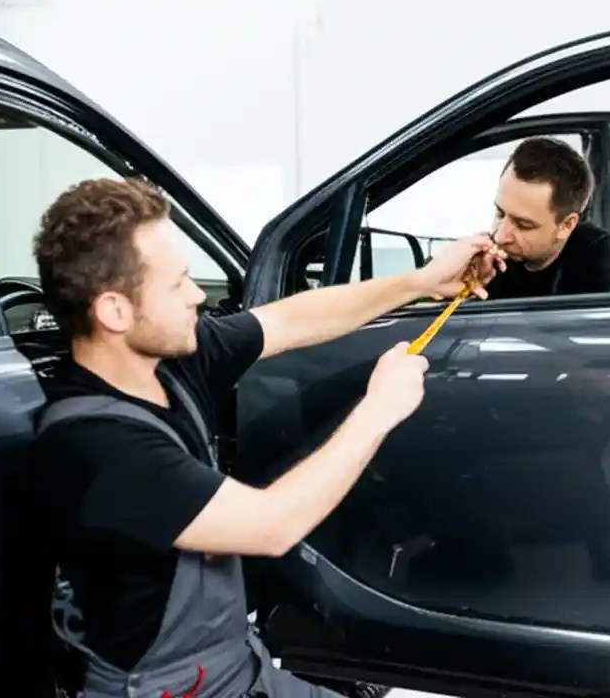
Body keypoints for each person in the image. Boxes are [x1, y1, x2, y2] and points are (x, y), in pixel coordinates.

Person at [29, 177, 504, 698]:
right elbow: (272, 526)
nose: (196, 296)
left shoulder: (171, 364)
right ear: (114, 310)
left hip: (232, 668)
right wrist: (379, 410)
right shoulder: (98, 448)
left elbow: (289, 320)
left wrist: (420, 282)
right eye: (177, 283)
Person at [482, 137, 610, 300]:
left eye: (523, 225)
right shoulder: (486, 261)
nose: (500, 236)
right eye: (500, 213)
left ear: (566, 225)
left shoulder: (598, 264)